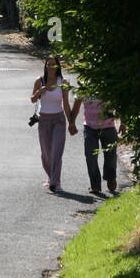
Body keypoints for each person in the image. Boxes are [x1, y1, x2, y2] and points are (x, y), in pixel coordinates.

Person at [30, 56, 74, 192]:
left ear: (58, 67)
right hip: (43, 120)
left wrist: (72, 123)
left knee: (56, 152)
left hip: (58, 120)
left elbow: (66, 105)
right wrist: (39, 92)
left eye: (54, 65)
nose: (51, 67)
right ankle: (50, 177)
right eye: (48, 65)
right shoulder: (40, 80)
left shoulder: (63, 82)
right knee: (46, 153)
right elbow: (32, 99)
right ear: (45, 66)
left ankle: (55, 182)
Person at [69, 95, 123, 197]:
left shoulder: (107, 83)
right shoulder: (84, 85)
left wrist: (123, 123)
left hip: (108, 126)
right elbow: (77, 104)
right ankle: (95, 185)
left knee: (111, 156)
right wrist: (72, 122)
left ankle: (111, 177)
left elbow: (120, 102)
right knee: (90, 155)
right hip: (89, 126)